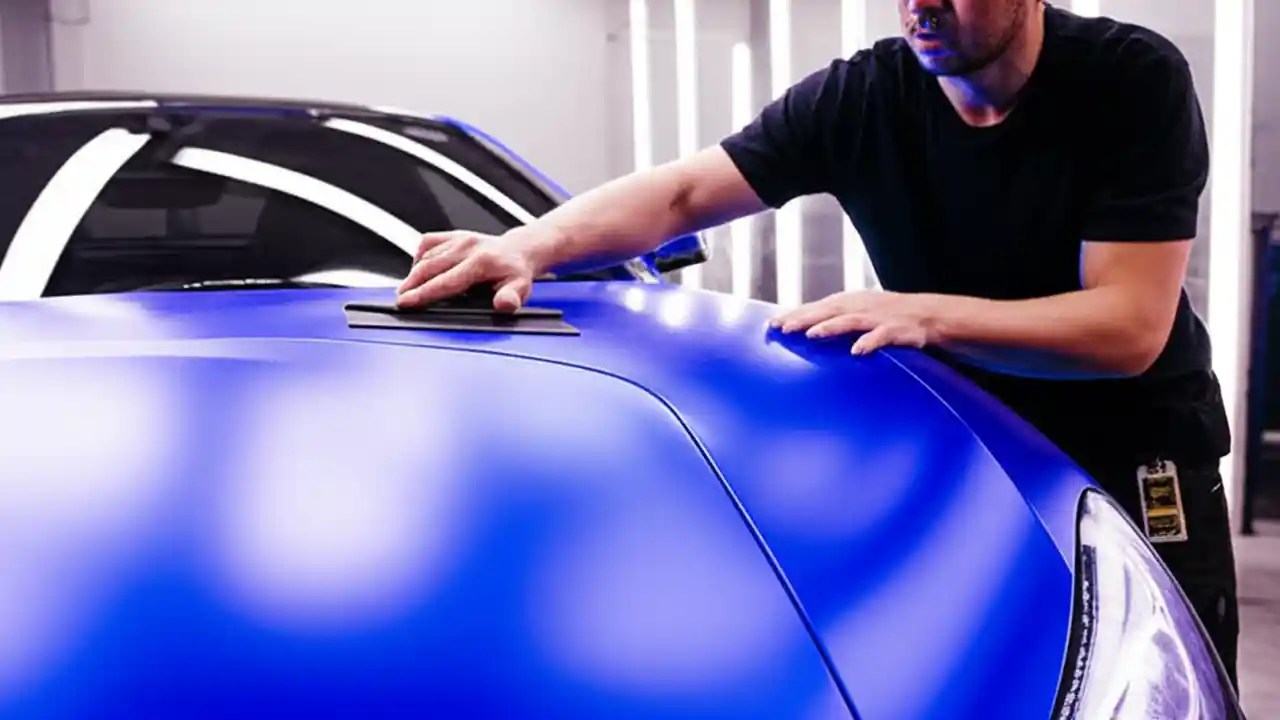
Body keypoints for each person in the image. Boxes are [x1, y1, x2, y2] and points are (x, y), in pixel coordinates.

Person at [395, 0, 1239, 685]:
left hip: (1129, 460)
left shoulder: (1130, 80)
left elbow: (1125, 329)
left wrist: (923, 313)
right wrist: (530, 246)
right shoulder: (866, 94)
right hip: (966, 452)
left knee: (1146, 688)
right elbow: (686, 193)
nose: (922, 6)